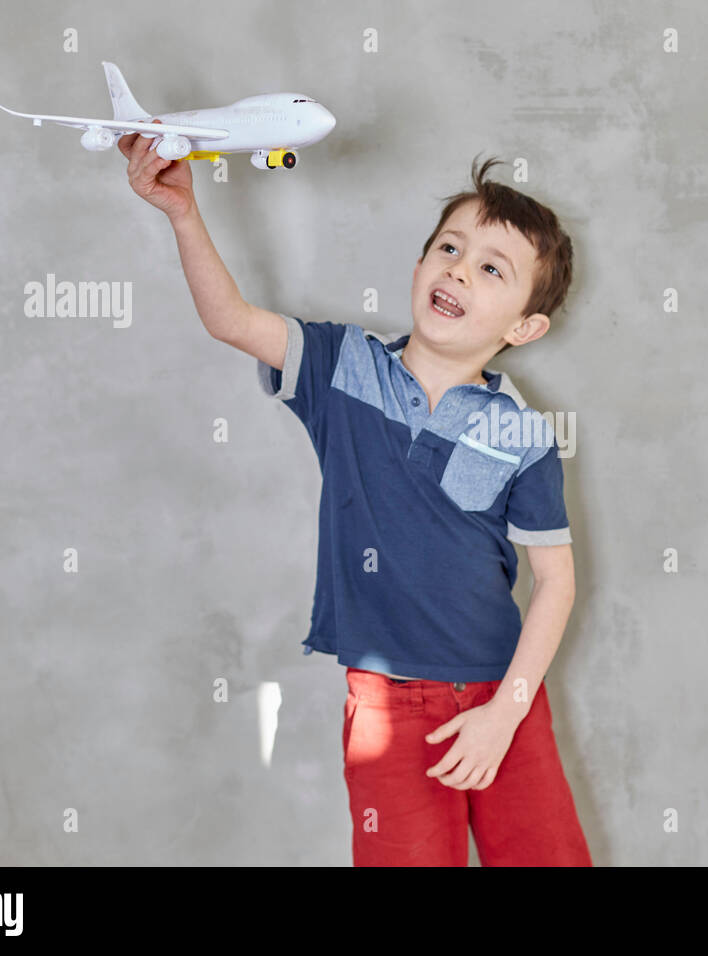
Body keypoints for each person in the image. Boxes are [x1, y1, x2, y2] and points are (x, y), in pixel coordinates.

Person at [118, 125, 591, 866]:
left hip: (505, 700)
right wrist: (183, 212)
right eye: (450, 249)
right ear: (421, 261)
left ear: (527, 327)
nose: (461, 271)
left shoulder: (525, 433)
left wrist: (506, 710)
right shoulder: (342, 367)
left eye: (493, 270)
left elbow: (556, 582)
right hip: (391, 708)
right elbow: (230, 321)